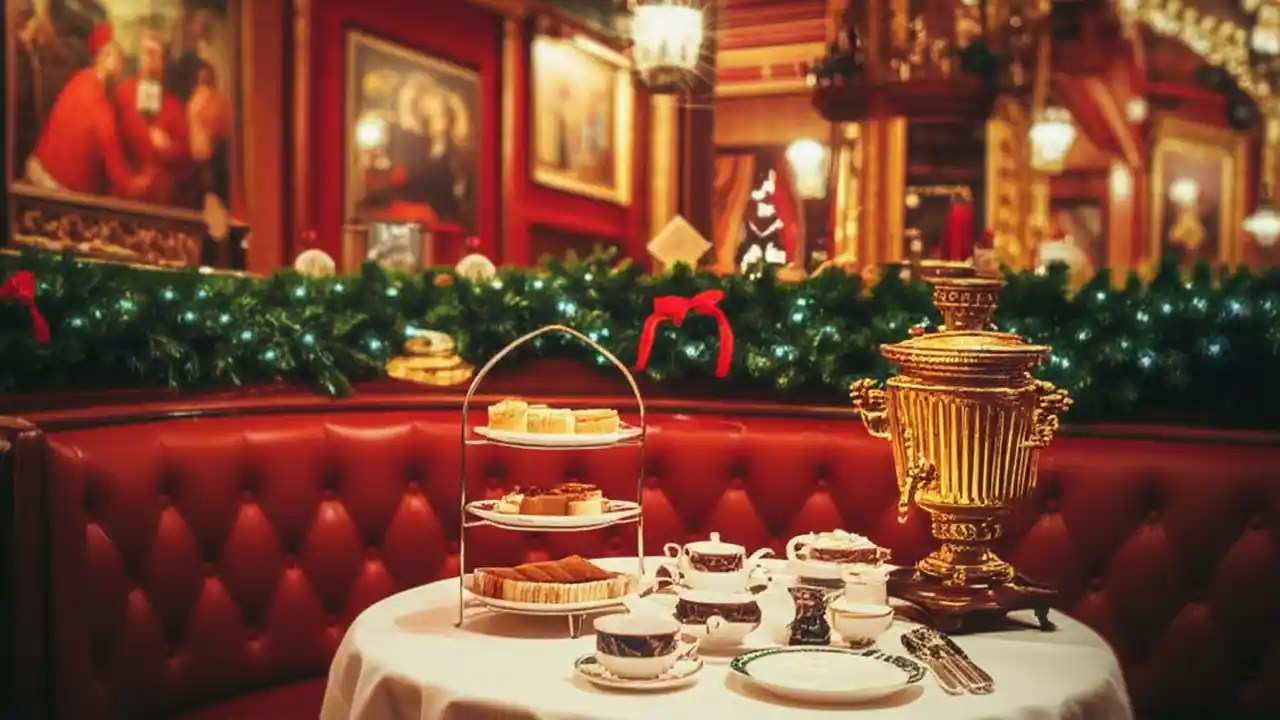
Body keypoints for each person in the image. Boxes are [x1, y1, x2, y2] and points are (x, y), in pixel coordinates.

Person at [25, 22, 154, 199]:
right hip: (54, 191)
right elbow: (120, 175)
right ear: (105, 58)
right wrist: (144, 183)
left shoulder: (81, 80)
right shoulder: (98, 106)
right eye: (119, 58)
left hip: (38, 171)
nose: (123, 67)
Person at [114, 29, 191, 206]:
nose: (149, 58)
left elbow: (186, 159)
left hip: (159, 199)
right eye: (145, 51)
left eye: (155, 53)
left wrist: (167, 147)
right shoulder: (124, 92)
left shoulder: (174, 107)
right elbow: (112, 141)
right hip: (125, 193)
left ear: (164, 60)